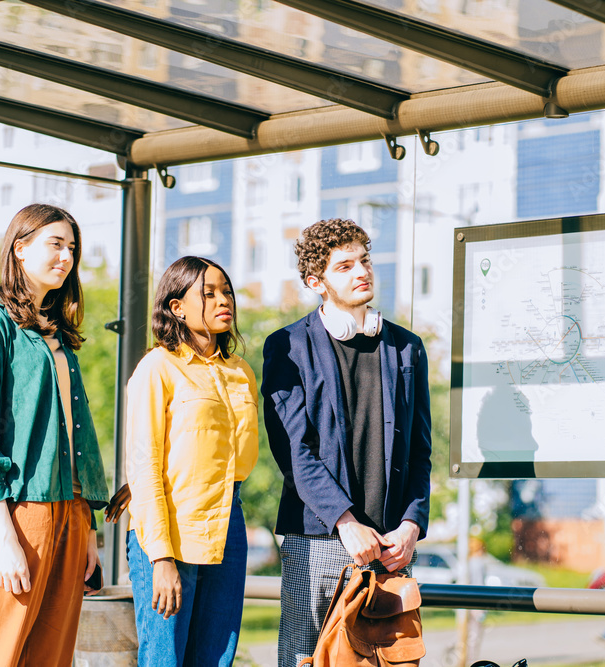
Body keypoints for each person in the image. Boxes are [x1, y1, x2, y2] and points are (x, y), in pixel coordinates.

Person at [261, 218, 433, 666]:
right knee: (304, 659)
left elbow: (420, 452)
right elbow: (294, 451)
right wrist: (345, 520)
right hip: (318, 537)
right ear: (315, 282)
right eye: (345, 266)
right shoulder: (287, 346)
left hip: (392, 544)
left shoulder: (408, 347)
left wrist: (412, 525)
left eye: (365, 260)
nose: (362, 271)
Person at [0, 204, 110, 667]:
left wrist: (88, 530)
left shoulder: (56, 333)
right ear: (20, 249)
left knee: (52, 656)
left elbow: (76, 438)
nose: (67, 257)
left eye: (72, 248)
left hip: (70, 509)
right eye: (55, 244)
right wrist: (4, 538)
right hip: (17, 511)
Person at [122, 256, 258, 667]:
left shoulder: (241, 371)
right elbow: (144, 465)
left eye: (227, 292)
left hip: (228, 523)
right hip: (170, 528)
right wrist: (160, 558)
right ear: (177, 307)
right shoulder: (158, 367)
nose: (224, 301)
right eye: (209, 293)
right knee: (164, 659)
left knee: (216, 659)